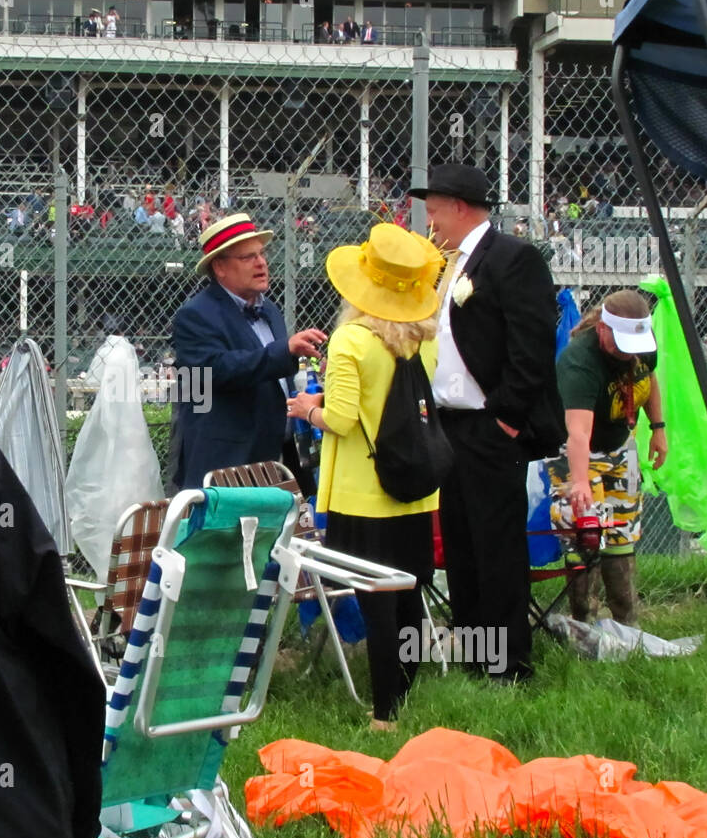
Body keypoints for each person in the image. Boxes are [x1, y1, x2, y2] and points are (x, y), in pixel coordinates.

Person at [287, 223, 445, 729]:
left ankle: (384, 713)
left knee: (375, 599)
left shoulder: (352, 340)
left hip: (363, 492)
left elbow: (342, 419)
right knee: (409, 593)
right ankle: (404, 692)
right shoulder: (426, 341)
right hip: (417, 492)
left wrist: (308, 409)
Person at [416, 163, 563, 683]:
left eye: (434, 210)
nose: (429, 221)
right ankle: (474, 650)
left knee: (496, 542)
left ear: (459, 205)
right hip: (448, 424)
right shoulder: (443, 265)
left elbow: (533, 344)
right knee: (460, 542)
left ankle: (507, 662)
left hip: (487, 422)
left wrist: (506, 416)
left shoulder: (512, 258)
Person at [169, 212, 328, 491]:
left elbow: (275, 377)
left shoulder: (270, 311)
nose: (261, 263)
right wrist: (284, 350)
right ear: (220, 267)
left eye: (262, 254)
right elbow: (216, 370)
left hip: (279, 462)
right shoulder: (195, 315)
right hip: (227, 465)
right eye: (247, 257)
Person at [547, 290, 666, 626]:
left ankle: (626, 625)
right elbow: (579, 432)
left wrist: (658, 428)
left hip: (619, 446)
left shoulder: (642, 345)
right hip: (578, 451)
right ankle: (584, 623)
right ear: (603, 329)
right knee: (584, 534)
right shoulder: (578, 363)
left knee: (621, 536)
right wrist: (580, 481)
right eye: (620, 343)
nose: (628, 353)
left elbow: (649, 379)